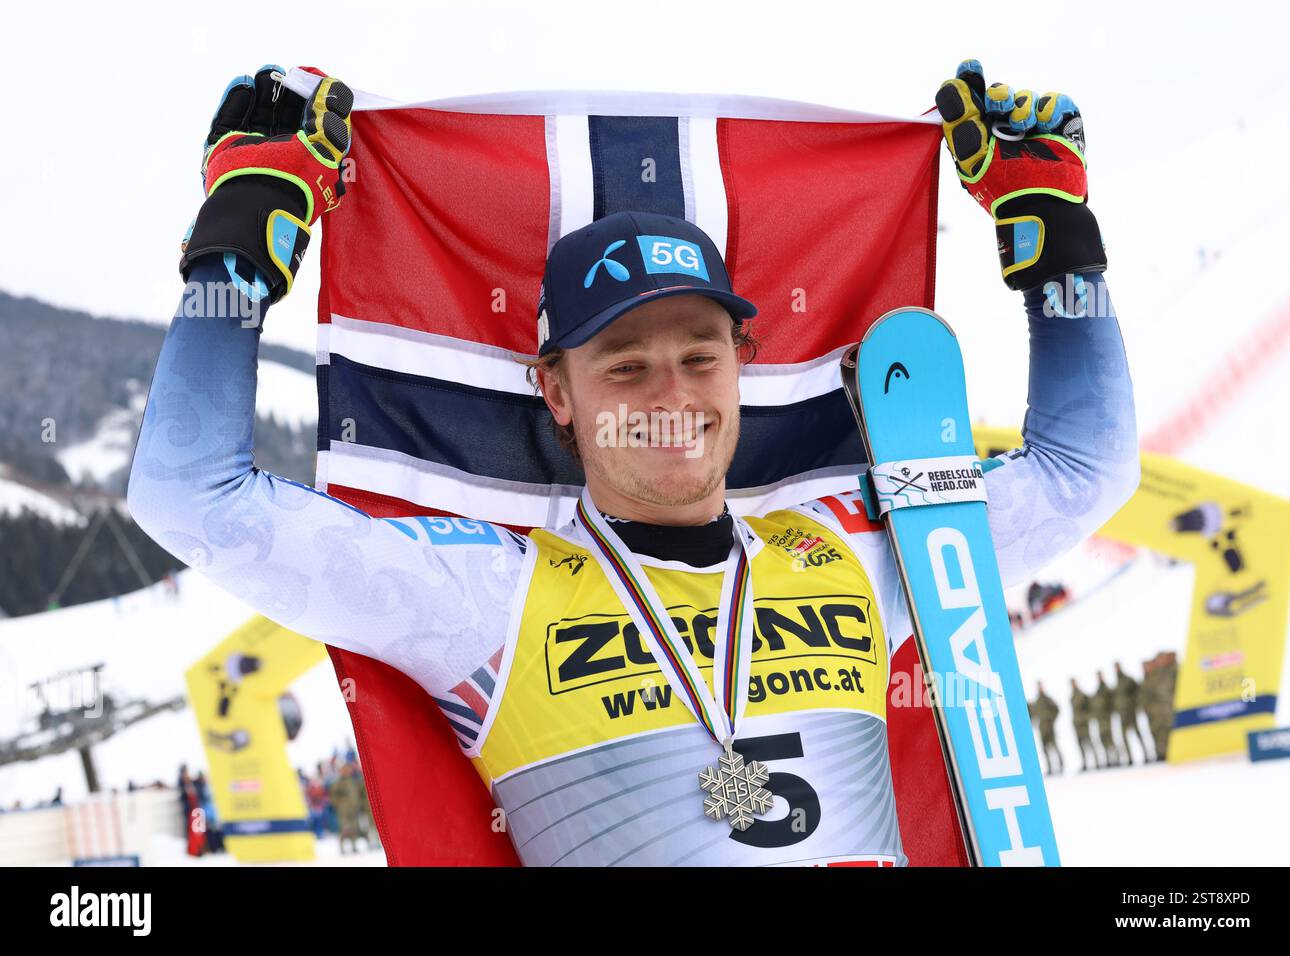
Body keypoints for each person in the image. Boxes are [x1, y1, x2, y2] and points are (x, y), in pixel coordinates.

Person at [127, 61, 1138, 866]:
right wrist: (236, 250)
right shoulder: (483, 594)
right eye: (624, 365)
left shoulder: (863, 550)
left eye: (701, 357)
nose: (671, 398)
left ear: (741, 364)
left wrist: (1058, 243)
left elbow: (1083, 468)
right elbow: (190, 496)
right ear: (558, 391)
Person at [1113, 661, 1148, 765]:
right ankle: (1129, 758)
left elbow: (1137, 692)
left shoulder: (1128, 680)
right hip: (1122, 714)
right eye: (1115, 668)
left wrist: (1134, 705)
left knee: (1137, 733)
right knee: (1124, 736)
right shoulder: (1117, 683)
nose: (1116, 669)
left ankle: (1146, 754)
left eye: (1117, 667)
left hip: (1130, 712)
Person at [1029, 682, 1063, 776]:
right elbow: (1033, 713)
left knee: (1054, 746)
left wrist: (1051, 720)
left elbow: (1056, 709)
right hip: (1042, 728)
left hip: (1049, 727)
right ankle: (1049, 768)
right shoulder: (1037, 701)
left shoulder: (1048, 699)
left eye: (1040, 686)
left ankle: (1061, 765)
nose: (1039, 688)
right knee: (1044, 749)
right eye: (1038, 687)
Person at [1070, 678, 1099, 773]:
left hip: (1083, 724)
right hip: (1077, 724)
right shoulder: (1072, 696)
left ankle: (1097, 761)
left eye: (1074, 682)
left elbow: (1091, 706)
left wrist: (1087, 717)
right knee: (1080, 744)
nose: (1073, 684)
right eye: (1071, 683)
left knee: (1089, 743)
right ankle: (1085, 763)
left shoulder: (1082, 695)